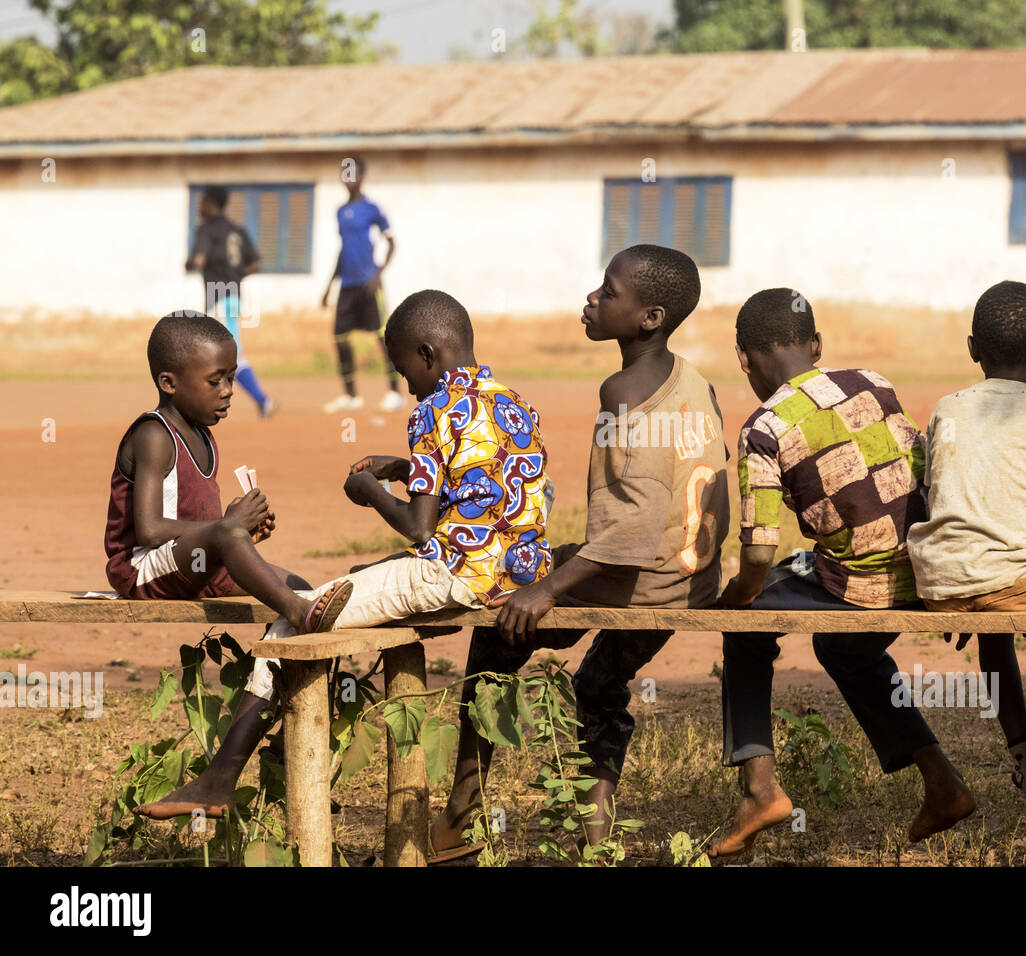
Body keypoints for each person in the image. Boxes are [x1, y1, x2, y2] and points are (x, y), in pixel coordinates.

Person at [135, 291, 552, 820]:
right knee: (360, 577)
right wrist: (404, 468)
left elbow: (420, 529)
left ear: (426, 355)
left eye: (403, 372)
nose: (406, 385)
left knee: (299, 616)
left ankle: (220, 779)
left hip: (456, 572)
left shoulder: (434, 409)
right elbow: (479, 482)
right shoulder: (513, 401)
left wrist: (369, 491)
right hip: (518, 574)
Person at [427, 244, 730, 863]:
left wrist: (546, 589)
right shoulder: (693, 380)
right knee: (598, 679)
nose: (592, 298)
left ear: (649, 317)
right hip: (690, 578)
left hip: (640, 577)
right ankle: (597, 837)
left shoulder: (623, 392)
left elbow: (630, 531)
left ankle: (460, 815)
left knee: (498, 633)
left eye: (608, 291)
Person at [708, 288, 974, 859]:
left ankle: (759, 790)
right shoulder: (873, 382)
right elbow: (921, 470)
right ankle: (943, 783)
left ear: (744, 359)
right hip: (925, 571)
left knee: (744, 625)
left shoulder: (764, 427)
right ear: (816, 345)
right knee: (842, 647)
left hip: (860, 586)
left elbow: (757, 554)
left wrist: (737, 597)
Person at [907, 280, 1026, 815]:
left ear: (972, 349)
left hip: (941, 580)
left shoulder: (945, 408)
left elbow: (930, 496)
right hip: (1016, 577)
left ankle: (1023, 753)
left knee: (995, 624)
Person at [104, 310, 349, 621]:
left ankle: (278, 662)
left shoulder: (202, 435)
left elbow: (202, 527)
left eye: (231, 378)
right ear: (169, 383)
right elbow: (151, 531)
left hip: (193, 562)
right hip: (143, 569)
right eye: (215, 381)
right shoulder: (154, 434)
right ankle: (300, 614)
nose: (228, 390)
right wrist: (228, 527)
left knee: (299, 587)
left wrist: (241, 533)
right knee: (236, 542)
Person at [321, 156, 404, 414]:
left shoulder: (373, 209)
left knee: (382, 337)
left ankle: (394, 393)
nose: (348, 178)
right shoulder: (340, 212)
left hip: (369, 284)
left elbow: (391, 243)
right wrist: (328, 287)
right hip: (347, 285)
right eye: (344, 173)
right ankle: (351, 395)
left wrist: (378, 273)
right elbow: (342, 251)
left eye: (353, 173)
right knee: (340, 338)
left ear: (362, 176)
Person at [185, 186, 276, 418]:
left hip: (219, 298)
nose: (199, 207)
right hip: (232, 296)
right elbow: (255, 264)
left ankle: (263, 400)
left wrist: (190, 263)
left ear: (211, 203)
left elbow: (198, 259)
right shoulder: (237, 230)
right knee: (215, 352)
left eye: (202, 202)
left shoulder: (205, 230)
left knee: (228, 354)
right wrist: (235, 276)